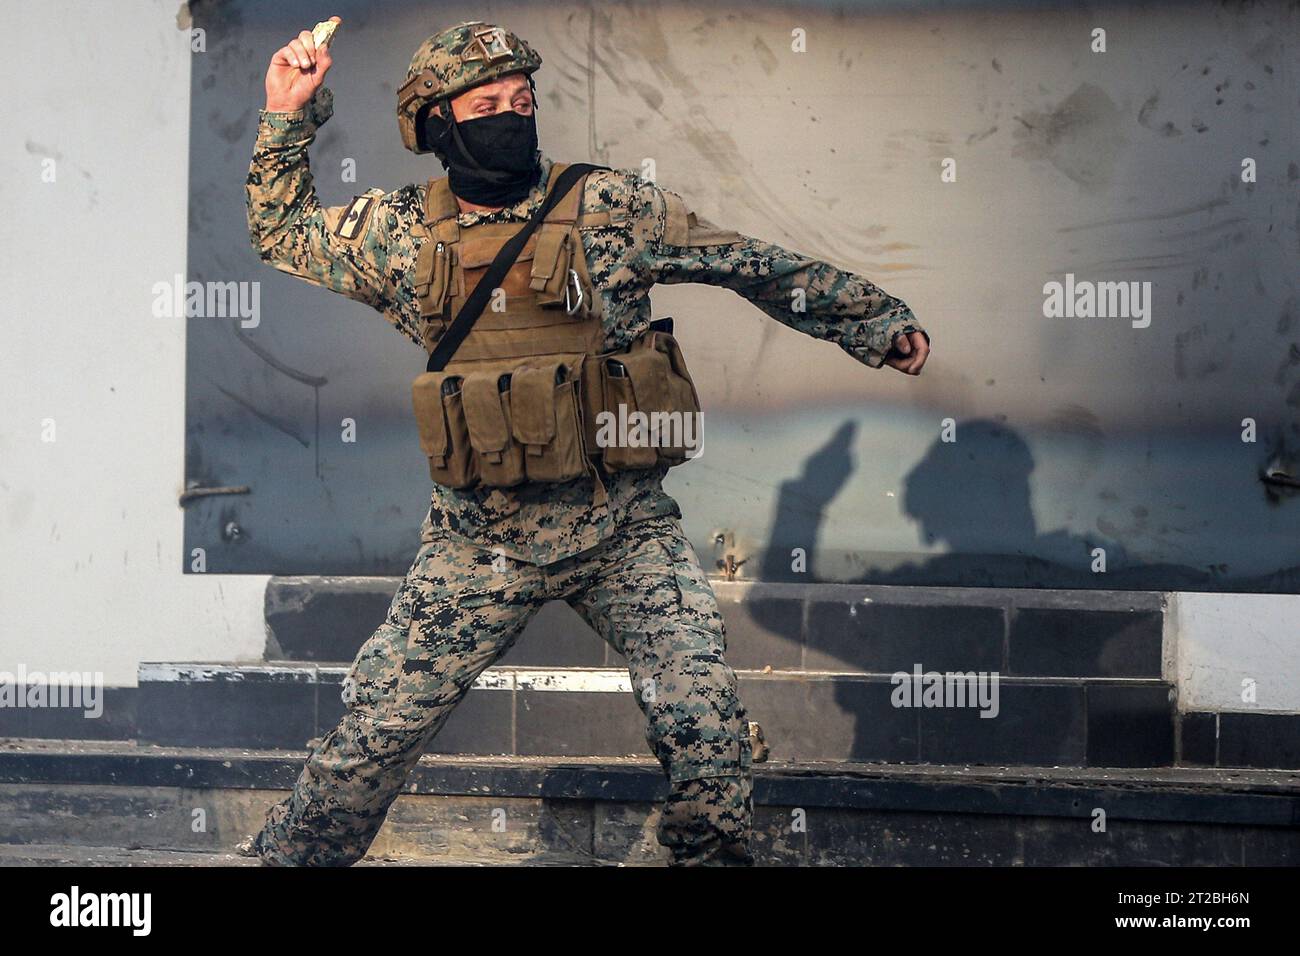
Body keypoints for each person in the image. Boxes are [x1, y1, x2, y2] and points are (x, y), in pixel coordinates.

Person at [238, 17, 929, 867]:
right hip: (480, 542)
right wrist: (287, 116)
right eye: (483, 102)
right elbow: (282, 231)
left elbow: (750, 263)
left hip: (622, 530)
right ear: (434, 126)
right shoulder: (402, 232)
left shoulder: (612, 205)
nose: (509, 114)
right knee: (371, 739)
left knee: (708, 734)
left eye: (521, 99)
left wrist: (873, 322)